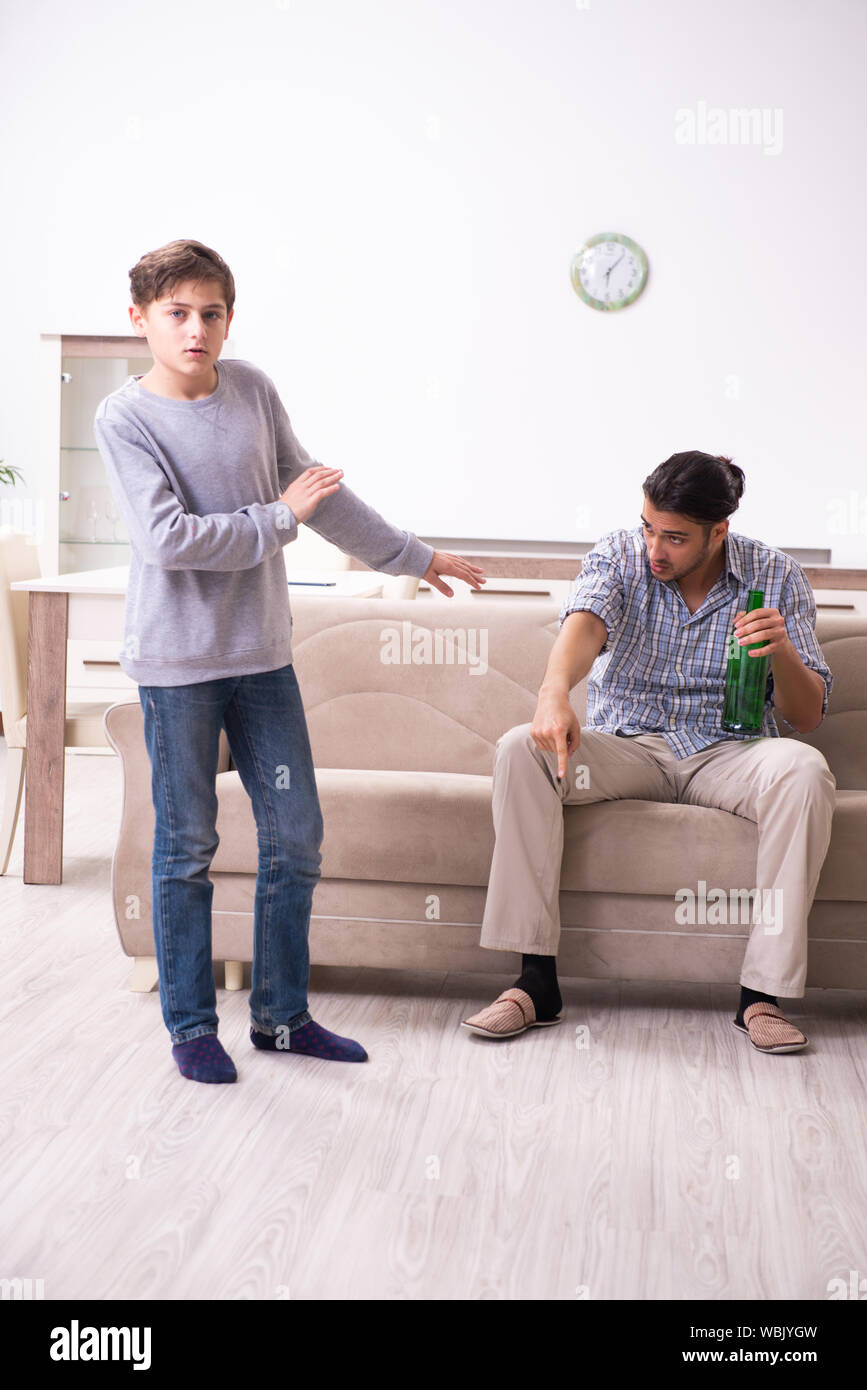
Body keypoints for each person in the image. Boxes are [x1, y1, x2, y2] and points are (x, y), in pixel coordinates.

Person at [94, 238, 485, 1084]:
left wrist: (415, 557)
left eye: (210, 313)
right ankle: (193, 1027)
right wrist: (279, 517)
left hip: (262, 658)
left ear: (229, 318)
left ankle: (280, 1017)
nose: (195, 329)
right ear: (141, 320)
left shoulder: (253, 389)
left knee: (296, 837)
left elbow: (319, 492)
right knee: (186, 846)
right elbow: (167, 542)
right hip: (177, 665)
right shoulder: (124, 419)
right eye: (176, 314)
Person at [462, 452, 836, 1055]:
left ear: (720, 532)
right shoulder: (619, 556)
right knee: (520, 751)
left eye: (675, 537)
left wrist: (783, 651)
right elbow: (584, 623)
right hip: (630, 746)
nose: (655, 549)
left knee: (804, 770)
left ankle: (761, 997)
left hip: (731, 753)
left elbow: (808, 716)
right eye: (648, 527)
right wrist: (554, 693)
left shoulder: (777, 574)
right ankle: (535, 983)